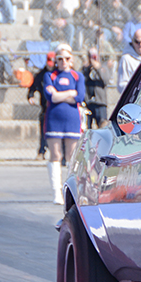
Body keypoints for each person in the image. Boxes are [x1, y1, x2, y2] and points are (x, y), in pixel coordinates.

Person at [43, 44, 85, 204]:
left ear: (72, 60)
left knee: (71, 156)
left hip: (72, 119)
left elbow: (80, 96)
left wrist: (59, 94)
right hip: (54, 119)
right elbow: (50, 96)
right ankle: (56, 192)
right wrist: (70, 93)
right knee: (55, 154)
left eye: (67, 59)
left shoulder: (77, 76)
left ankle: (69, 192)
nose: (63, 62)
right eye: (60, 59)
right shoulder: (50, 75)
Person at [28, 52, 54, 159]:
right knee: (44, 130)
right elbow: (33, 86)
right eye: (49, 63)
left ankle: (59, 154)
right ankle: (42, 151)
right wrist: (30, 96)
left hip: (57, 108)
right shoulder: (41, 74)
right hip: (45, 107)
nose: (50, 65)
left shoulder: (59, 74)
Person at [82, 47, 109, 128]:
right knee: (87, 127)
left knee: (102, 126)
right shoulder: (85, 69)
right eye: (91, 56)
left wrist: (98, 68)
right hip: (89, 102)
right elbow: (82, 81)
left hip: (100, 103)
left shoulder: (103, 68)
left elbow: (106, 80)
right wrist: (86, 68)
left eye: (94, 56)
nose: (92, 59)